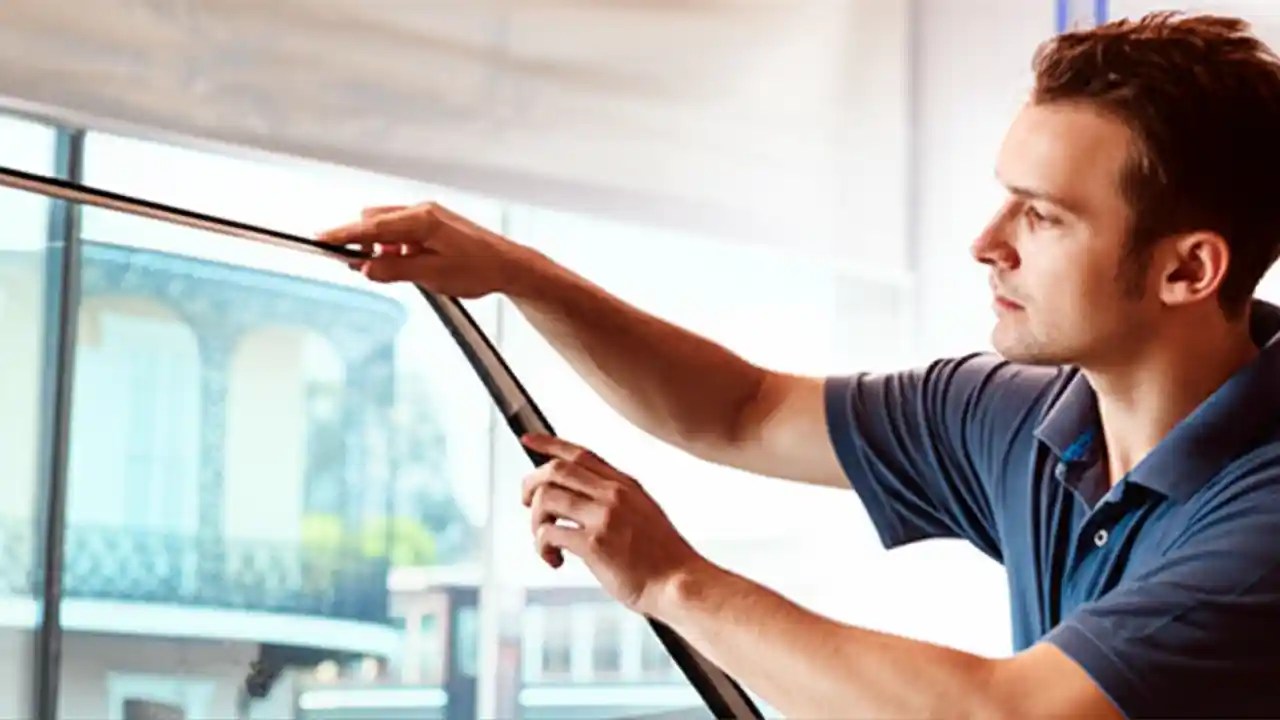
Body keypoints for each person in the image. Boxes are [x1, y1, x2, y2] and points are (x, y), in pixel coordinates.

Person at [318, 11, 1280, 718]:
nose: (987, 242)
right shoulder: (1019, 417)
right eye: (1004, 199)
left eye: (1042, 215)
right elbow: (737, 410)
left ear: (1186, 268)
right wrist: (517, 274)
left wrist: (671, 582)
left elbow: (1012, 716)